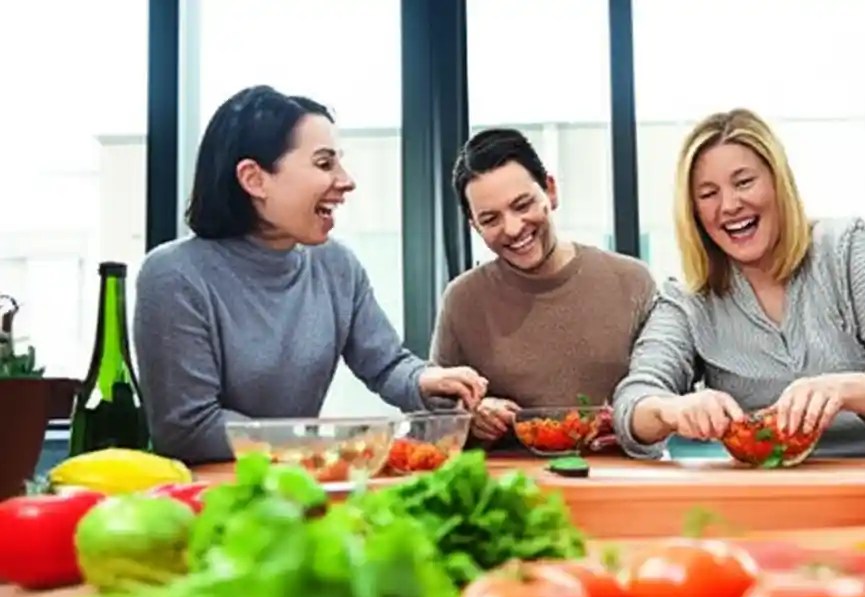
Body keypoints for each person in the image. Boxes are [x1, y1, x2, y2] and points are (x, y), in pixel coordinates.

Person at [133, 85, 488, 465]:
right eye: (324, 164)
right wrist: (325, 446)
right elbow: (189, 429)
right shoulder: (174, 275)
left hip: (302, 487)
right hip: (214, 499)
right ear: (254, 179)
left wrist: (425, 381)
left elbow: (386, 364)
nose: (346, 181)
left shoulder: (336, 265)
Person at [612, 108, 865, 459]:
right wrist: (670, 410)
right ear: (693, 211)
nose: (729, 205)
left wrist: (843, 389)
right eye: (708, 194)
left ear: (778, 182)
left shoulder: (847, 248)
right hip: (762, 487)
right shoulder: (687, 300)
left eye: (744, 182)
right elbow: (632, 404)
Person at [432, 128, 656, 447]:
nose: (513, 228)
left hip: (621, 477)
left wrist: (634, 421)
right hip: (510, 487)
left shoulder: (633, 281)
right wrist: (472, 413)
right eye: (491, 219)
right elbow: (437, 411)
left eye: (522, 205)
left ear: (550, 191)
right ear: (474, 225)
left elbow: (669, 394)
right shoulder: (462, 300)